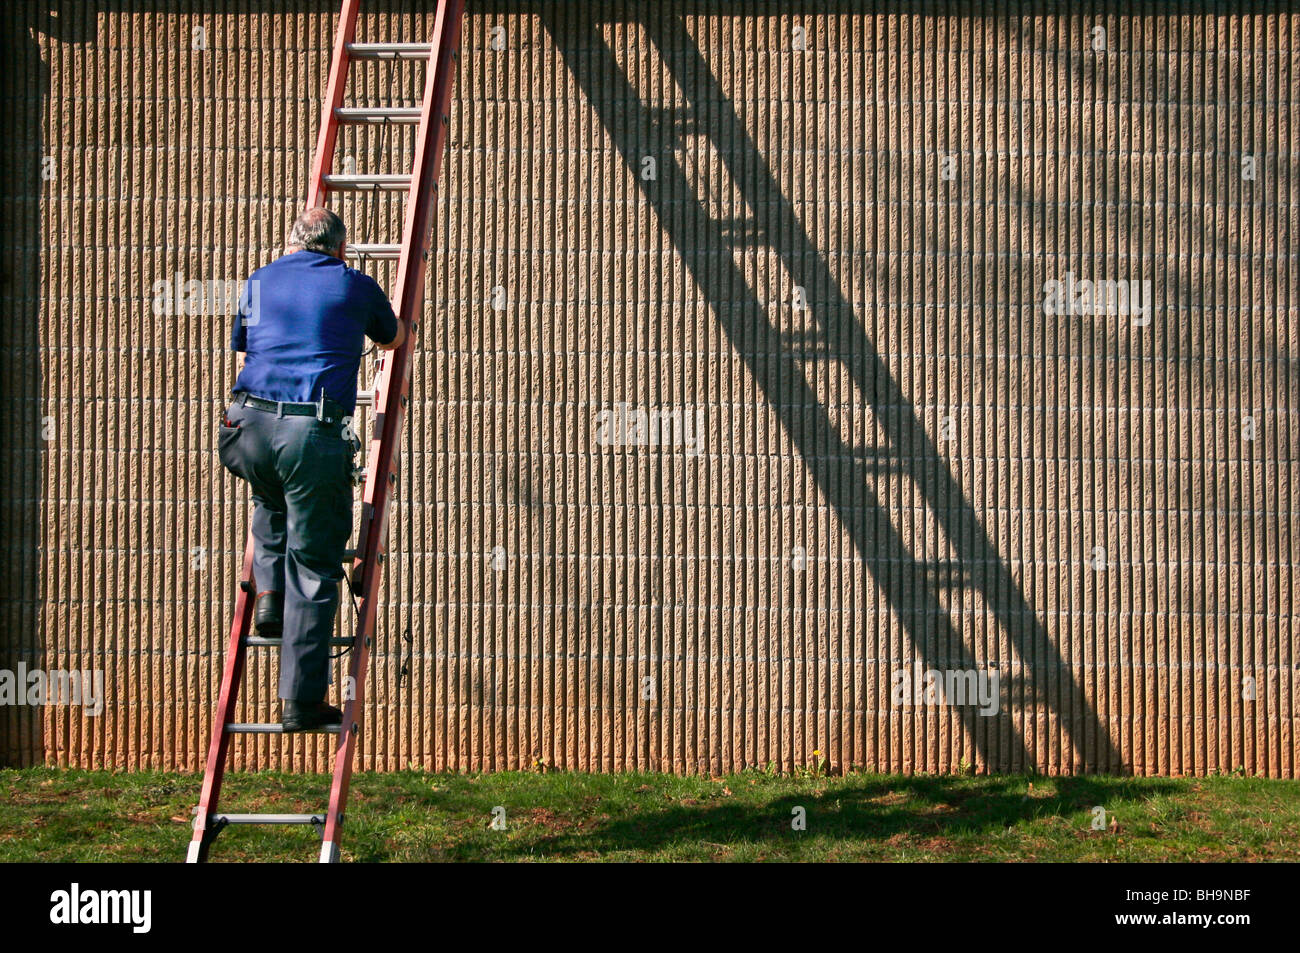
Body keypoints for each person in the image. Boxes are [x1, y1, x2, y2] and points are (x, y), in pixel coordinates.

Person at [218, 207, 405, 731]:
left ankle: (269, 599)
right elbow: (392, 339)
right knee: (316, 564)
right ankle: (300, 700)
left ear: (294, 243)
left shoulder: (259, 279)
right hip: (310, 432)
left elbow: (244, 354)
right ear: (341, 248)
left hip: (244, 426)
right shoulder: (354, 284)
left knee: (269, 494)